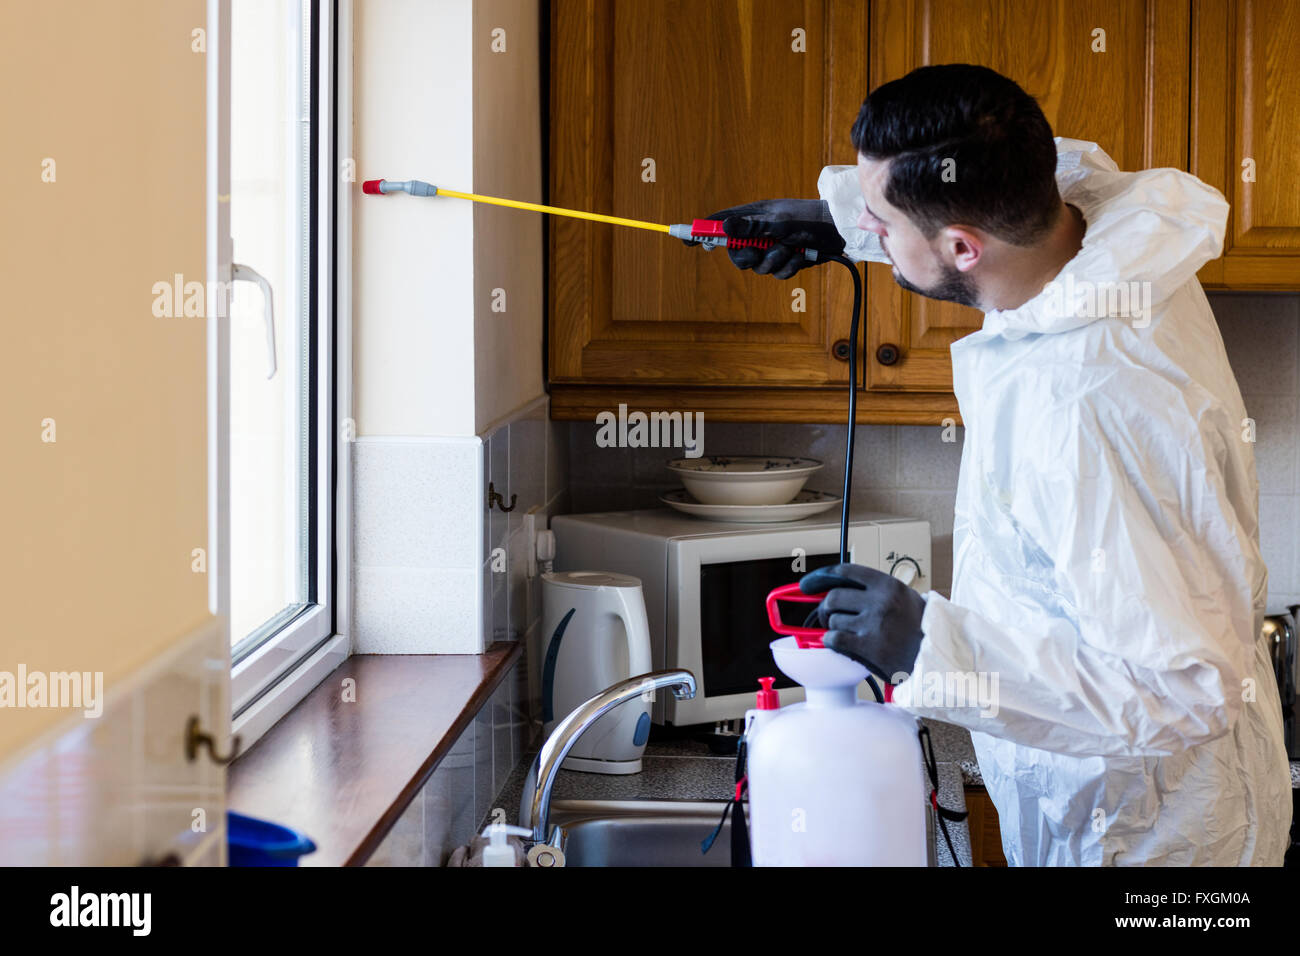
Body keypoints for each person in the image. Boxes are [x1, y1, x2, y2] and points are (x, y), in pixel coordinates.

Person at [703, 64, 1292, 866]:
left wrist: (926, 647)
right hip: (1104, 794)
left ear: (961, 246)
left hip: (1152, 840)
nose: (871, 233)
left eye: (883, 221)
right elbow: (1046, 168)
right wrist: (837, 219)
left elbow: (1187, 689)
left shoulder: (1087, 400)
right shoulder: (1114, 235)